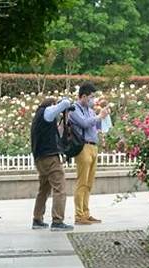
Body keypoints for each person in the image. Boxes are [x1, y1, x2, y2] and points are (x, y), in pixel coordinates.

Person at [30, 97, 74, 231]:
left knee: (43, 189)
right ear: (52, 105)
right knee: (60, 187)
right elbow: (65, 103)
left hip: (40, 159)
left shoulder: (40, 117)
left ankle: (37, 219)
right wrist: (64, 102)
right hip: (50, 157)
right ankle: (57, 220)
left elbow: (57, 134)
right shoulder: (47, 112)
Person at [69, 82, 109, 225]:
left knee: (89, 183)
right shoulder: (74, 109)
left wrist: (104, 117)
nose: (93, 100)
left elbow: (96, 125)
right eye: (91, 97)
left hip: (93, 146)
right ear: (83, 96)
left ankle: (86, 213)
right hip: (82, 147)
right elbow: (85, 123)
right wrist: (98, 116)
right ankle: (79, 215)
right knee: (82, 182)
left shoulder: (90, 110)